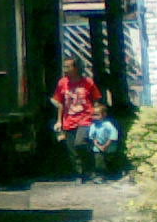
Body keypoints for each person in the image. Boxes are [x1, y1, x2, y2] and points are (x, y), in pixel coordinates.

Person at [51, 55, 102, 183]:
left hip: (85, 118)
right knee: (72, 150)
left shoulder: (88, 82)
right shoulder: (62, 83)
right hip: (69, 120)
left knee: (80, 143)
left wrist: (96, 114)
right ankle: (79, 174)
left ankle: (91, 171)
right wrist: (59, 120)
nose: (65, 69)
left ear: (76, 68)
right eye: (65, 66)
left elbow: (96, 98)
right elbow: (60, 103)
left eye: (68, 67)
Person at [87, 101, 120, 180]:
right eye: (93, 115)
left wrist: (106, 145)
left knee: (110, 160)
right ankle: (101, 175)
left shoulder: (108, 124)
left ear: (104, 115)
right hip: (98, 147)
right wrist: (98, 145)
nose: (94, 117)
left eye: (97, 115)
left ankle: (112, 174)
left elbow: (113, 135)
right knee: (99, 161)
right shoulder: (93, 126)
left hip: (109, 146)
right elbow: (92, 137)